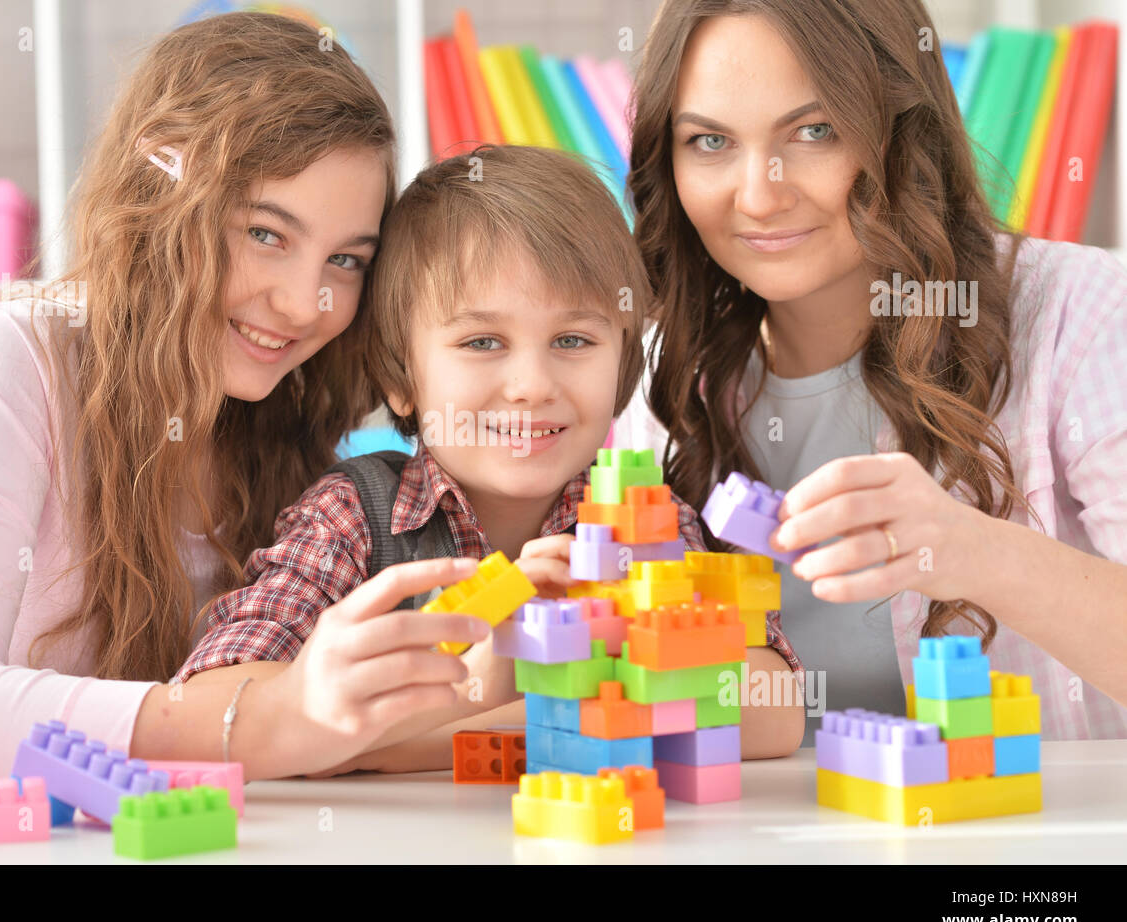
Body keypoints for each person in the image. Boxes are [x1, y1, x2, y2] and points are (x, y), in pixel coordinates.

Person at [0, 13, 482, 782]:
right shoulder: (15, 361)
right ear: (159, 197)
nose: (308, 303)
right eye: (266, 234)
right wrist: (246, 722)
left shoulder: (294, 419)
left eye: (344, 259)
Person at [176, 145, 805, 772]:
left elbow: (776, 708)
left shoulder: (645, 520)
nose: (532, 383)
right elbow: (213, 706)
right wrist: (509, 684)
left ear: (620, 369)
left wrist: (378, 745)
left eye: (572, 339)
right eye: (482, 341)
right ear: (401, 378)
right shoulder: (349, 519)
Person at [615, 0, 1127, 741]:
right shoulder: (658, 378)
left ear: (900, 131)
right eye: (710, 141)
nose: (759, 195)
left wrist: (973, 551)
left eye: (814, 131)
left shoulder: (1082, 313)